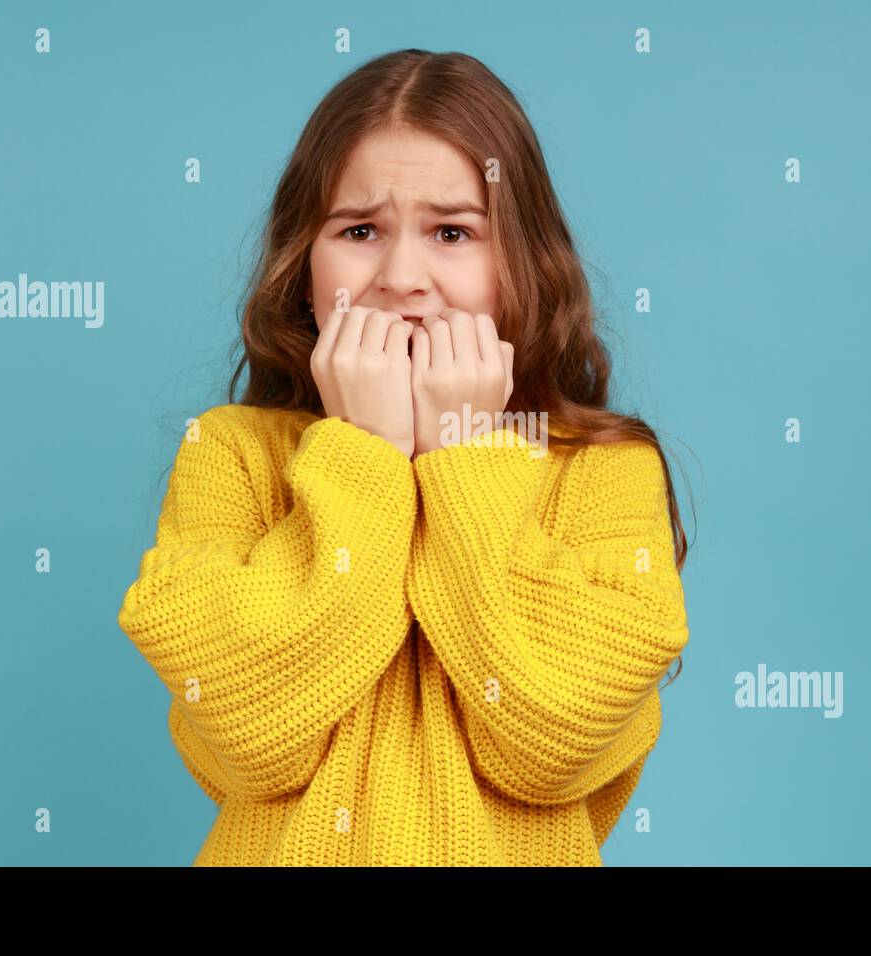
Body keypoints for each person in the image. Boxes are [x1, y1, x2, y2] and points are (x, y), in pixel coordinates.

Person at [117, 48, 691, 866]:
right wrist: (365, 454)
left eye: (453, 232)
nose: (402, 278)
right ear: (303, 266)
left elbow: (553, 741)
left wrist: (462, 458)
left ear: (519, 264)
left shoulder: (606, 470)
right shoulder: (232, 455)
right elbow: (252, 739)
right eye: (359, 231)